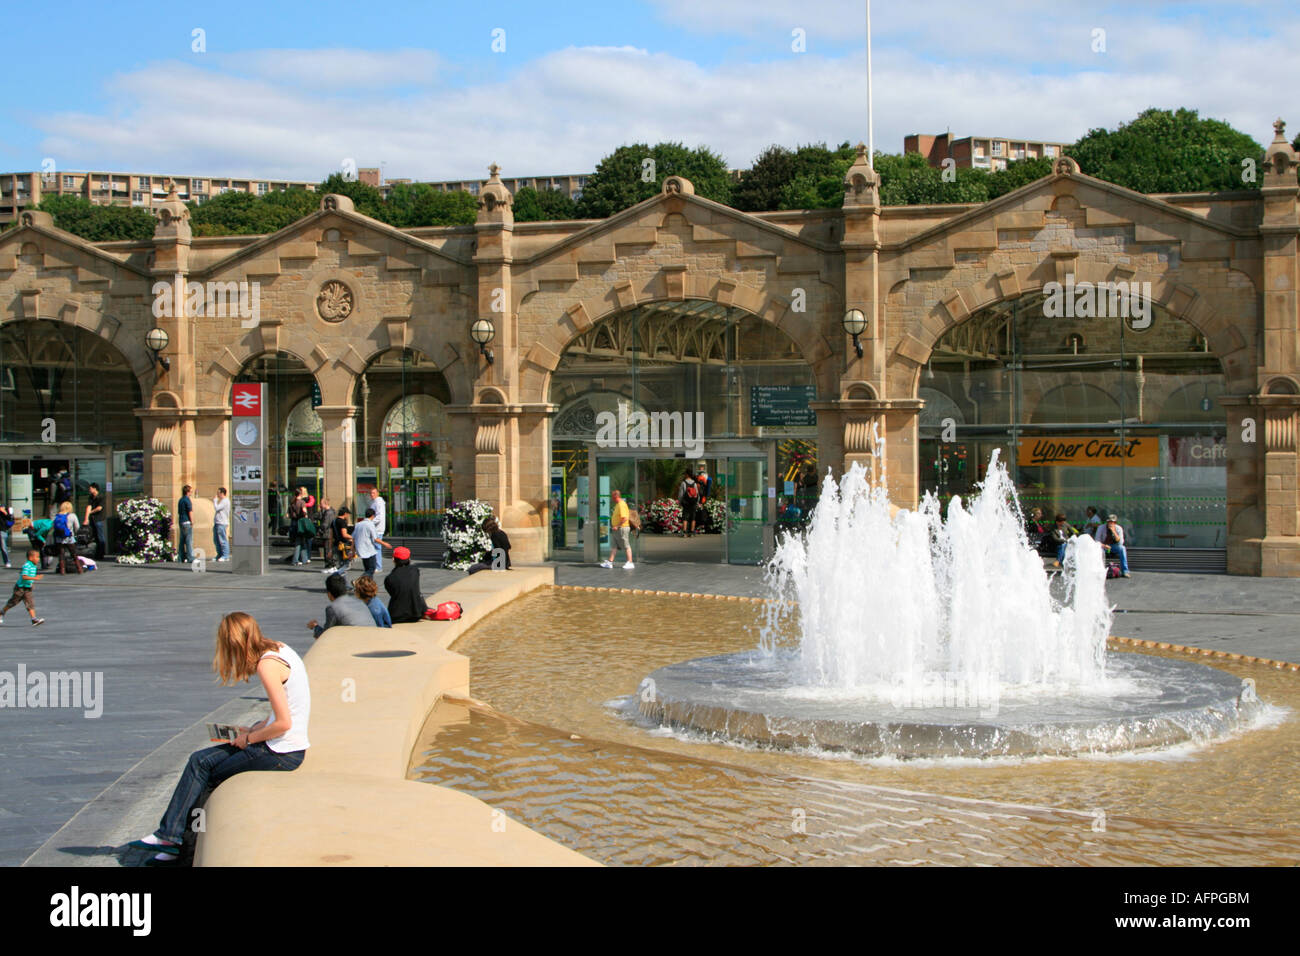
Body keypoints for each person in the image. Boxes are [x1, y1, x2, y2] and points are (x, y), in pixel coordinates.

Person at [130, 612, 309, 861]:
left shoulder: (266, 666)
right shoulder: (279, 649)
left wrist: (248, 740)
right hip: (287, 747)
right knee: (203, 764)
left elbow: (283, 723)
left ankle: (172, 838)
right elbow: (289, 710)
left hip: (282, 753)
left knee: (201, 765)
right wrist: (255, 728)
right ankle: (176, 842)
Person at [308, 571, 376, 638]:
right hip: (374, 638)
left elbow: (326, 635)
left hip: (357, 643)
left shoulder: (333, 608)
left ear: (329, 594)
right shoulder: (359, 601)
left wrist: (315, 627)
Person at [0, 549, 45, 626]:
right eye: (37, 557)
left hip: (27, 588)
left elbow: (29, 576)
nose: (38, 559)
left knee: (30, 603)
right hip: (20, 588)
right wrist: (35, 578)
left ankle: (33, 619)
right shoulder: (27, 565)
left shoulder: (33, 566)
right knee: (13, 602)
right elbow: (24, 576)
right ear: (31, 558)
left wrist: (31, 583)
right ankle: (2, 612)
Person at [385, 546, 429, 622]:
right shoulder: (415, 571)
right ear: (409, 559)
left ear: (393, 560)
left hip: (396, 615)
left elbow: (394, 593)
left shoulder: (389, 578)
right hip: (416, 614)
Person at [600, 489, 634, 570]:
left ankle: (630, 562)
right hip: (617, 529)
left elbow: (624, 518)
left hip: (622, 528)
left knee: (626, 545)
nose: (611, 498)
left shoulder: (621, 504)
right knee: (614, 546)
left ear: (616, 496)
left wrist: (617, 526)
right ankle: (609, 562)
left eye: (612, 496)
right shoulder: (618, 504)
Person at [351, 507, 390, 577]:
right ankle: (359, 581)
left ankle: (367, 585)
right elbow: (375, 539)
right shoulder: (370, 524)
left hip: (360, 550)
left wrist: (352, 550)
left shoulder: (358, 524)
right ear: (372, 516)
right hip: (369, 550)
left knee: (367, 569)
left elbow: (353, 538)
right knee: (371, 568)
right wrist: (385, 543)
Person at [53, 501, 82, 575]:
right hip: (69, 537)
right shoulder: (72, 515)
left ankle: (62, 570)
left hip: (59, 538)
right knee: (74, 554)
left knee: (61, 554)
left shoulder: (57, 516)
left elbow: (54, 526)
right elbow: (77, 527)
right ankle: (79, 569)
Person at [324, 506, 353, 572]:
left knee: (340, 563)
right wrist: (353, 537)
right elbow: (344, 534)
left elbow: (331, 536)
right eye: (348, 514)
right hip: (344, 545)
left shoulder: (333, 522)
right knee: (346, 564)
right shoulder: (342, 522)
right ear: (345, 513)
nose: (348, 516)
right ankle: (341, 574)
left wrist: (330, 548)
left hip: (336, 544)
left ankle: (339, 573)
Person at [288, 489, 312, 566]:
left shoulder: (292, 503)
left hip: (293, 523)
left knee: (302, 541)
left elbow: (288, 515)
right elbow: (304, 512)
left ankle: (305, 559)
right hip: (300, 524)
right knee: (299, 542)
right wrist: (307, 519)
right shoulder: (302, 502)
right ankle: (295, 560)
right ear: (300, 494)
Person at [84, 483, 107, 561]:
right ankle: (97, 553)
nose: (89, 490)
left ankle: (101, 553)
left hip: (99, 518)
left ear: (95, 489)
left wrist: (90, 512)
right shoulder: (91, 497)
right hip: (93, 519)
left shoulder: (101, 496)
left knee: (101, 536)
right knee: (95, 536)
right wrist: (86, 518)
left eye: (90, 488)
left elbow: (99, 508)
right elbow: (89, 506)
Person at [368, 488, 387, 573]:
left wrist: (370, 521)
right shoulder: (375, 502)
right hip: (375, 528)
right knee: (375, 547)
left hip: (377, 529)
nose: (372, 494)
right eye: (371, 493)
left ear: (378, 493)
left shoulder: (378, 502)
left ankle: (378, 566)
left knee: (376, 547)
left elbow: (379, 516)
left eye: (373, 493)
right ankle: (375, 565)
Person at [678, 470, 700, 537]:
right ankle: (692, 532)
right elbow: (697, 494)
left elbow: (681, 494)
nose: (684, 475)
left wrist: (680, 502)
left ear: (687, 475)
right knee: (693, 517)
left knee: (685, 517)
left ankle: (684, 532)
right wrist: (697, 502)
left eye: (685, 474)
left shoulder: (683, 483)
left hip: (686, 502)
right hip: (693, 502)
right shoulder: (694, 483)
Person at [212, 487, 230, 562]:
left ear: (222, 493)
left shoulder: (225, 501)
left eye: (218, 493)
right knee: (216, 540)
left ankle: (225, 555)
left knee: (222, 540)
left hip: (222, 523)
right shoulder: (222, 501)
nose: (217, 495)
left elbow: (217, 508)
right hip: (217, 522)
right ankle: (219, 554)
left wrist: (215, 501)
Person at [177, 485, 194, 564]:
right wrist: (192, 521)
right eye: (190, 491)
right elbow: (190, 511)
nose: (191, 493)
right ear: (187, 492)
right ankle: (190, 558)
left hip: (181, 521)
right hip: (187, 522)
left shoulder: (180, 500)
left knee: (182, 540)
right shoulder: (187, 500)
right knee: (188, 540)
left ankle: (181, 558)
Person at [319, 497, 337, 569]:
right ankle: (330, 563)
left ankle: (329, 564)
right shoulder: (329, 512)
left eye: (321, 504)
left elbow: (325, 524)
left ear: (325, 504)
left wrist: (320, 531)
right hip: (329, 533)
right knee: (328, 549)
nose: (320, 505)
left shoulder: (328, 513)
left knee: (327, 549)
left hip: (328, 533)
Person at [0, 503, 12, 568]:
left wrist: (4, 511)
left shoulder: (3, 512)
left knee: (3, 547)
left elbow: (10, 518)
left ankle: (7, 561)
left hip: (2, 530)